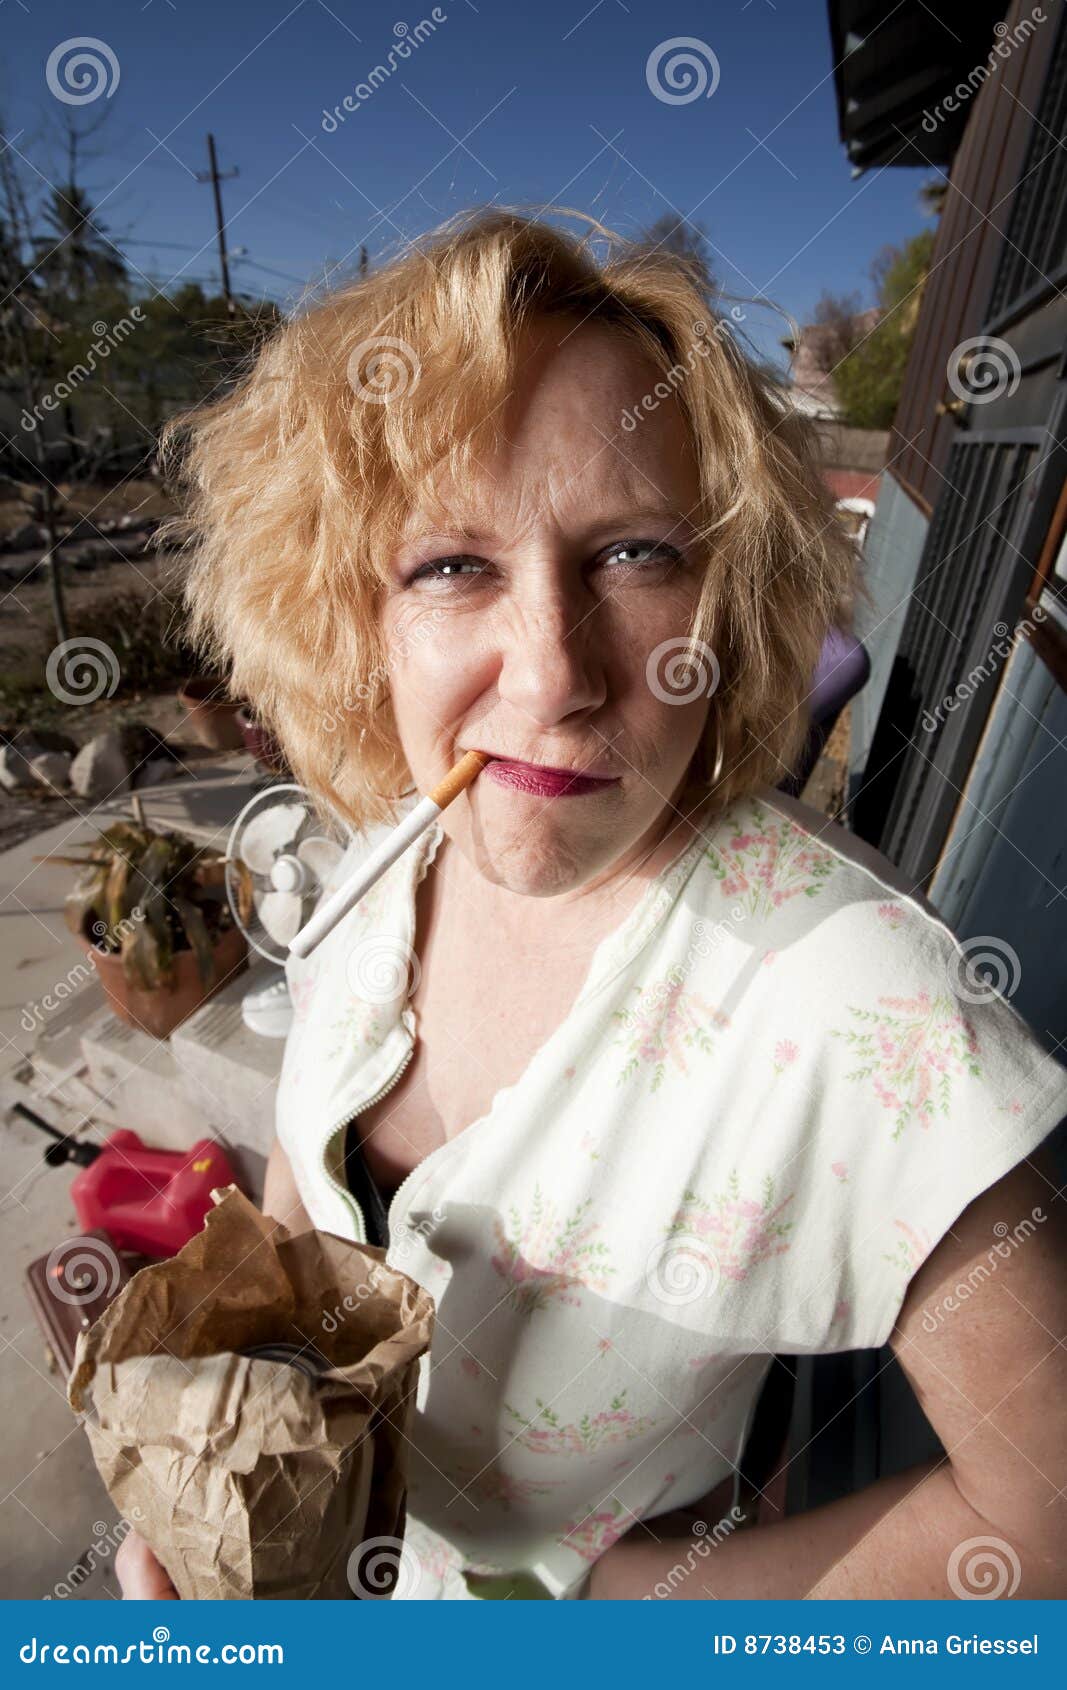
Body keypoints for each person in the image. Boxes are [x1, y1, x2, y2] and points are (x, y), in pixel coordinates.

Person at [117, 208, 1067, 1601]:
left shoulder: (861, 999)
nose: (553, 671)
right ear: (352, 617)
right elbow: (296, 1204)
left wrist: (642, 1613)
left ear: (731, 601)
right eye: (453, 564)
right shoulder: (379, 864)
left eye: (635, 554)